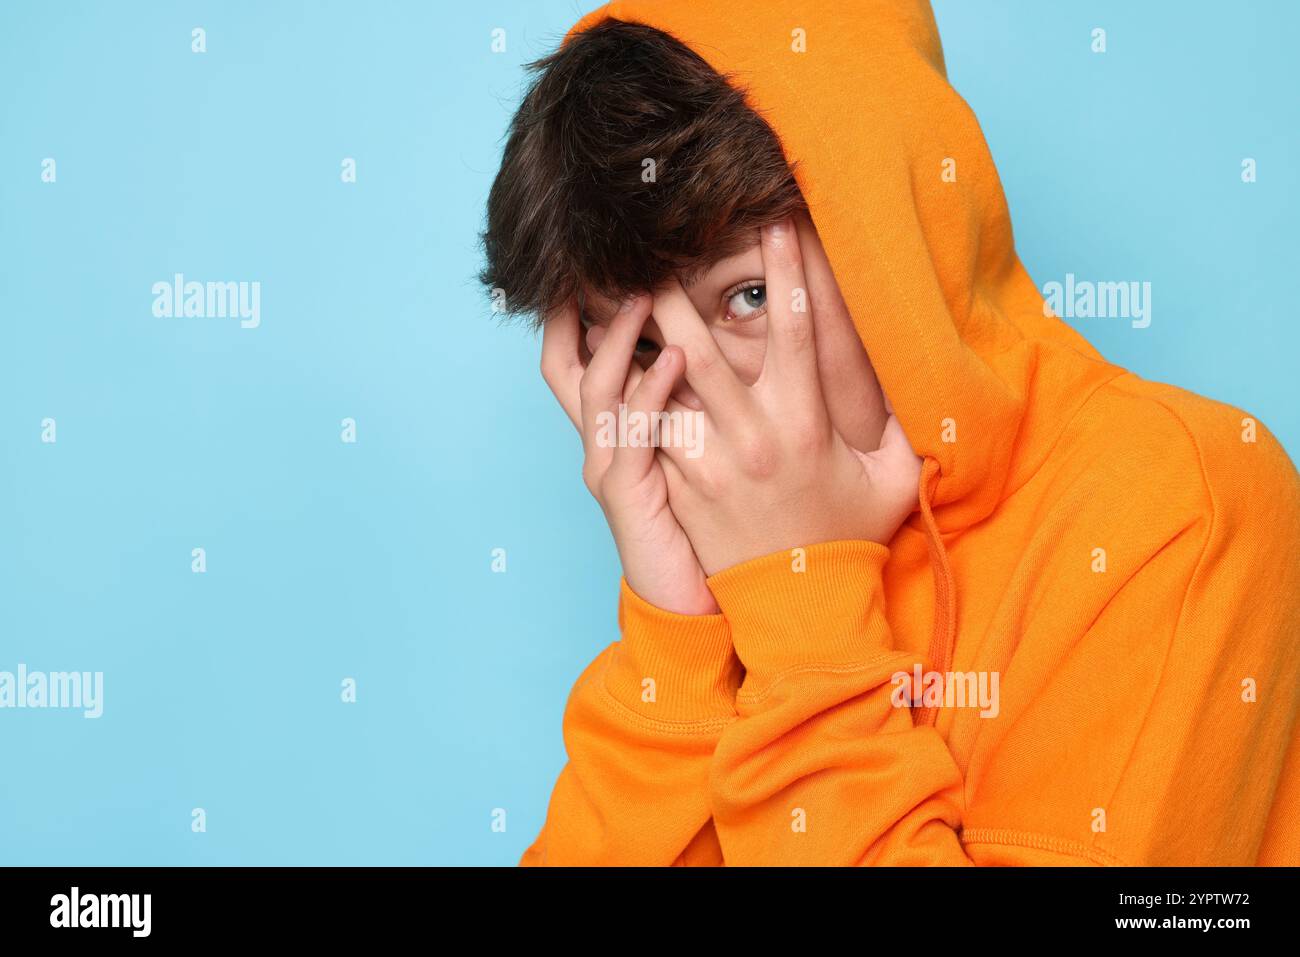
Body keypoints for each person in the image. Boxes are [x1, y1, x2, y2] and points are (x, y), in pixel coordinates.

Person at [480, 2, 1300, 866]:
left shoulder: (1182, 505)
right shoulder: (708, 561)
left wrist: (809, 631)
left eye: (747, 296)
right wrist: (675, 645)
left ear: (896, 246)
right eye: (643, 346)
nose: (706, 404)